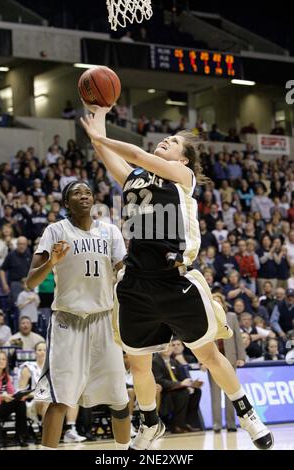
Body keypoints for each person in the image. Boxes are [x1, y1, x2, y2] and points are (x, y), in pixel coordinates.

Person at [80, 107, 273, 450]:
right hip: (137, 282)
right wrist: (99, 124)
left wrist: (101, 136)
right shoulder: (135, 179)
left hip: (176, 281)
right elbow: (110, 154)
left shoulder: (183, 180)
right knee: (138, 365)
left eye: (172, 143)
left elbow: (137, 153)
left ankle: (246, 413)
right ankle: (150, 424)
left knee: (209, 356)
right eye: (166, 139)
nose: (165, 142)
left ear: (183, 162)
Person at [26, 181, 130, 450]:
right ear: (65, 203)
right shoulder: (55, 231)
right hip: (67, 322)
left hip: (104, 320)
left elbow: (123, 270)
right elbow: (30, 283)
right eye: (76, 192)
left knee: (119, 399)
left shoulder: (110, 232)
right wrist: (51, 263)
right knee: (60, 399)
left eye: (87, 192)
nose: (83, 196)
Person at [208, 293, 246, 433]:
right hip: (212, 360)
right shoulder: (206, 317)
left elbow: (238, 339)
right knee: (215, 395)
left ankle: (231, 424)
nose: (216, 303)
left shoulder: (231, 317)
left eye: (219, 301)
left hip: (230, 360)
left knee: (231, 392)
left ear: (223, 303)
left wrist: (241, 356)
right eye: (214, 301)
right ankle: (217, 424)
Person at [0, 351, 28, 449]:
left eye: (3, 359)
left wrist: (18, 396)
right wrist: (1, 397)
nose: (1, 361)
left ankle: (20, 436)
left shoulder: (7, 377)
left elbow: (12, 392)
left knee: (20, 403)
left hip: (2, 407)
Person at [18, 341, 48, 423]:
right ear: (35, 353)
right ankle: (46, 430)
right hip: (33, 400)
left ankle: (70, 427)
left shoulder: (53, 369)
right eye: (39, 350)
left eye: (45, 350)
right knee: (45, 400)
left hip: (50, 398)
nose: (42, 352)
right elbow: (21, 392)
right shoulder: (28, 368)